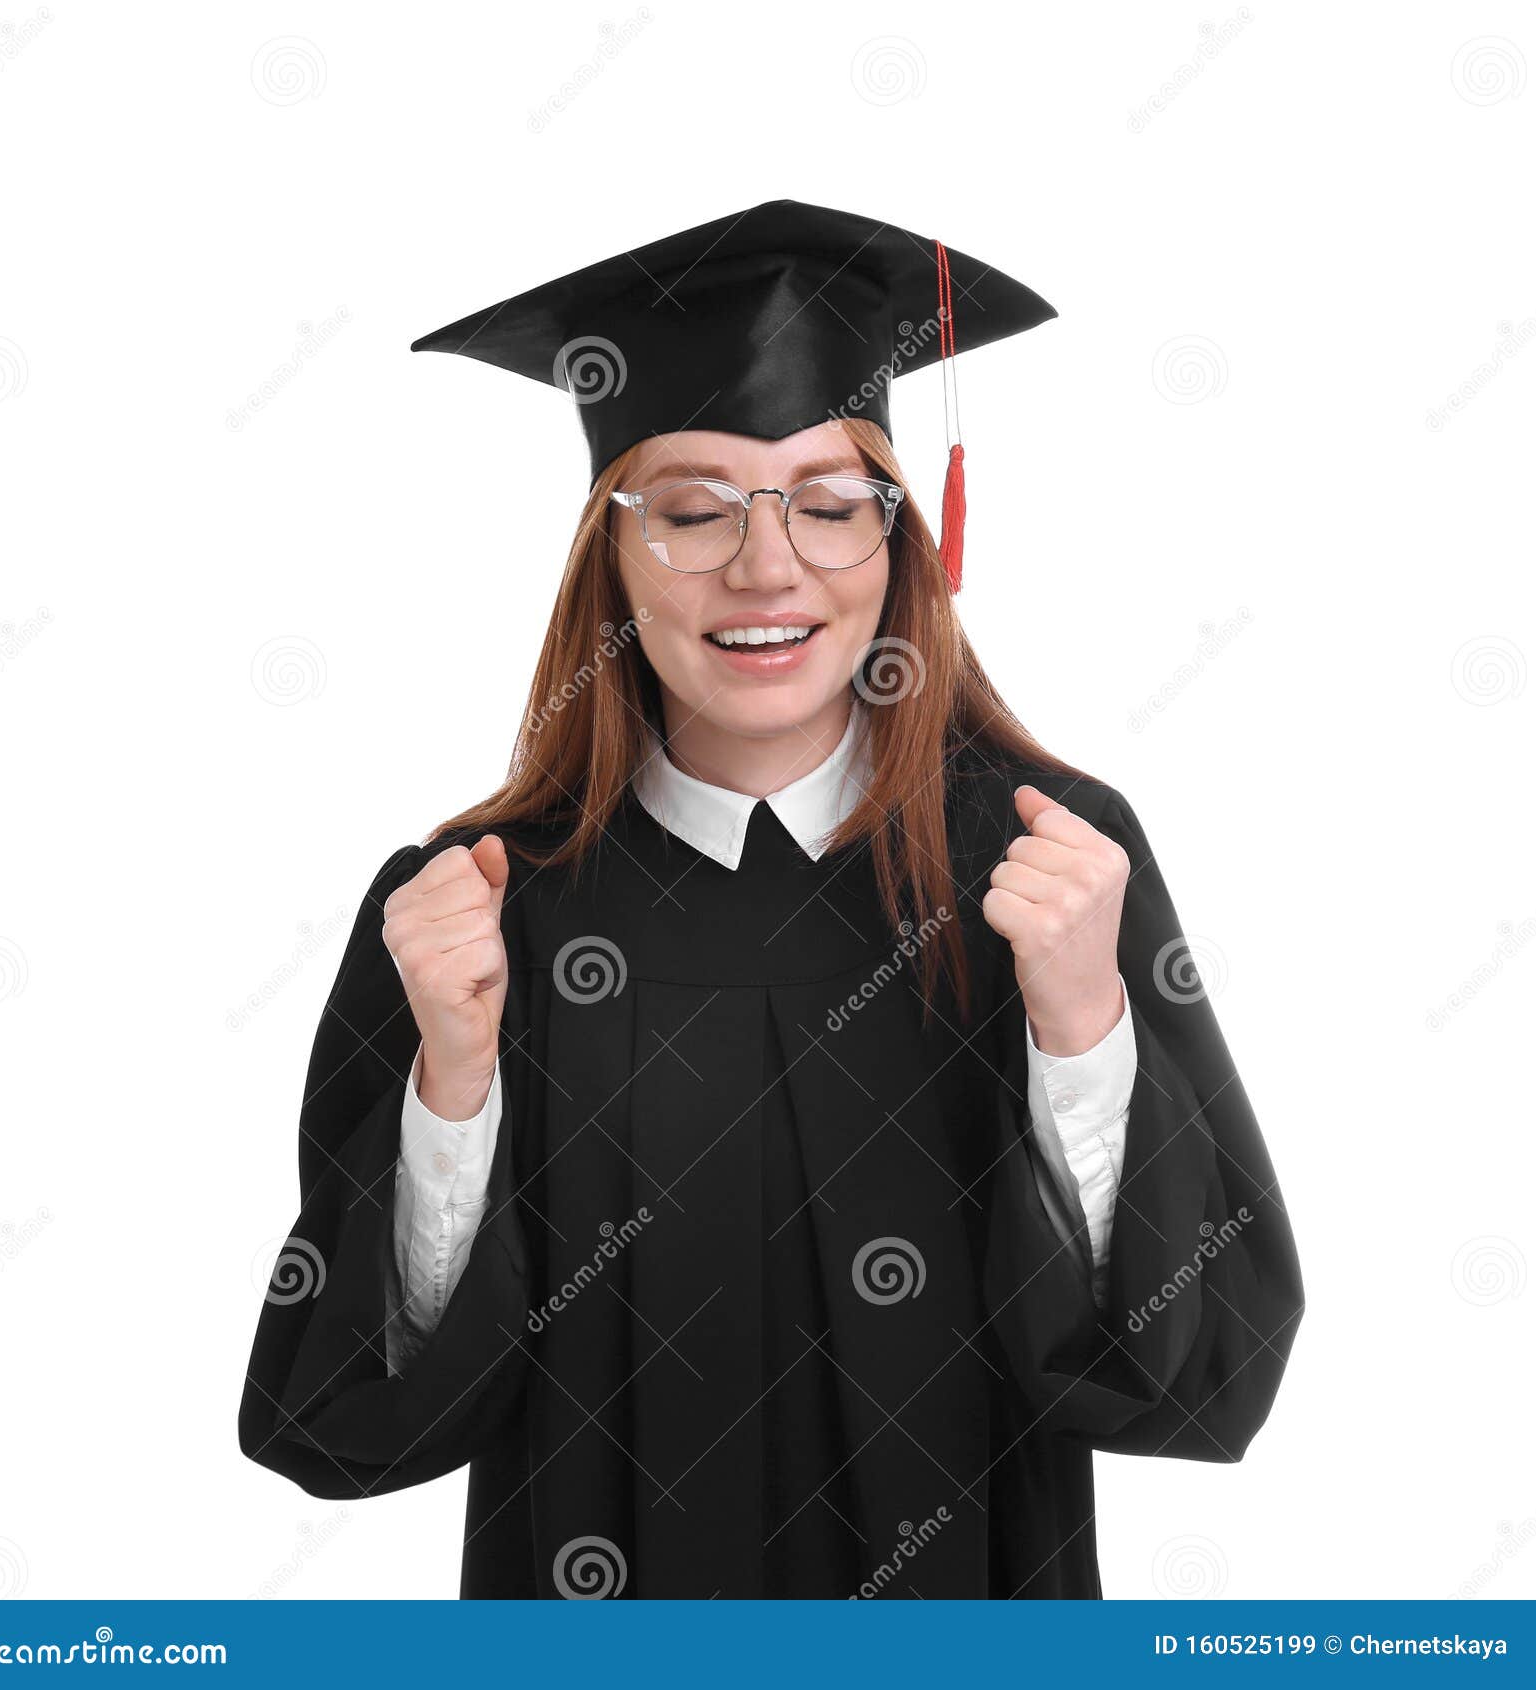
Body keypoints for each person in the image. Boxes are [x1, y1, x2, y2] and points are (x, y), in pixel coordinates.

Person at [238, 200, 1303, 1599]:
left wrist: (1082, 1028)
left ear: (899, 540)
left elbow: (1198, 1371)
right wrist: (452, 1085)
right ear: (608, 556)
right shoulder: (483, 904)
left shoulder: (1047, 859)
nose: (766, 564)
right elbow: (350, 1425)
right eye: (690, 508)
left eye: (826, 502)